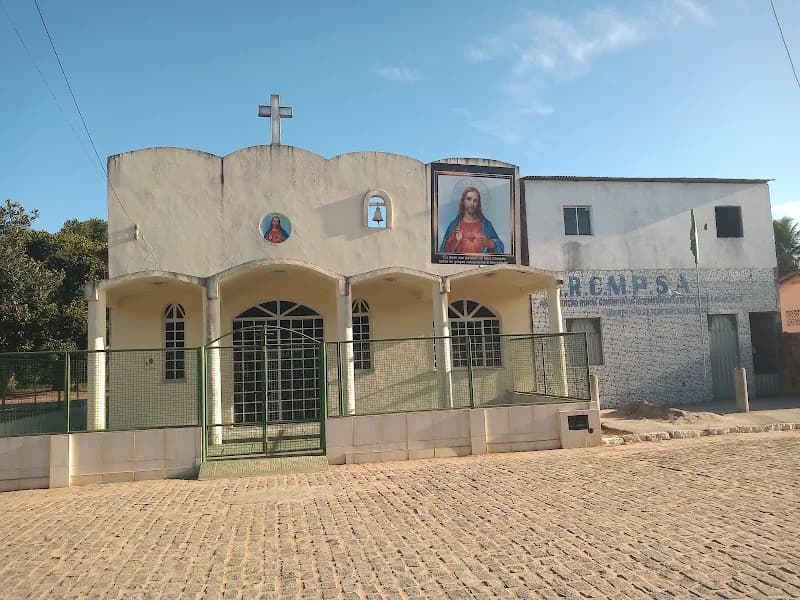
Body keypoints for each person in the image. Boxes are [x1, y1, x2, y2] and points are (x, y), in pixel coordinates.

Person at [440, 186, 504, 254]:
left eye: (475, 201)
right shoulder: (454, 226)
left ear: (478, 204)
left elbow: (500, 247)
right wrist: (456, 241)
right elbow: (444, 252)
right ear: (463, 201)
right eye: (469, 199)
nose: (472, 204)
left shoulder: (486, 225)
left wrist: (491, 244)